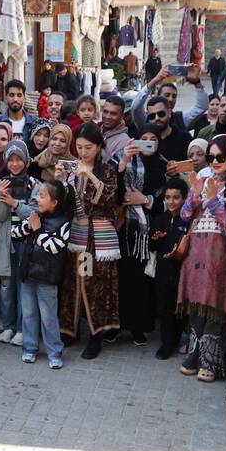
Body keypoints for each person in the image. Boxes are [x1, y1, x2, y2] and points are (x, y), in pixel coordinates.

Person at [178, 135, 226, 381]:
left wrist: (213, 201)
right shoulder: (202, 179)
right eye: (211, 157)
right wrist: (196, 195)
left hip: (220, 255)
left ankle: (210, 359)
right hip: (196, 251)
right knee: (196, 302)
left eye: (220, 157)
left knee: (215, 305)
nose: (215, 161)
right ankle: (195, 354)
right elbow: (185, 215)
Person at [60, 123, 121, 360]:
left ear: (98, 147)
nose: (83, 152)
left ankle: (96, 334)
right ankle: (70, 329)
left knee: (94, 284)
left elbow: (109, 199)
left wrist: (91, 176)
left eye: (88, 147)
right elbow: (63, 203)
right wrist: (62, 183)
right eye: (79, 147)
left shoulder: (107, 170)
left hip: (97, 237)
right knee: (73, 282)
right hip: (76, 233)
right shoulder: (71, 167)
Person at [114, 128, 167, 343]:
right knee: (120, 279)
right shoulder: (121, 159)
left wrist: (144, 200)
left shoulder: (164, 166)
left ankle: (138, 326)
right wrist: (124, 162)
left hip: (147, 231)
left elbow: (168, 203)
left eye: (152, 140)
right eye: (143, 139)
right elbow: (115, 194)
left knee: (141, 282)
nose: (147, 143)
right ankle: (116, 326)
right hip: (122, 227)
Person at [13, 179, 69, 369]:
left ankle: (55, 352)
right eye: (37, 194)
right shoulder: (36, 216)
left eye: (42, 196)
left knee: (49, 317)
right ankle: (29, 348)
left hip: (47, 278)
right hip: (27, 274)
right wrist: (28, 227)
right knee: (28, 314)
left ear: (55, 202)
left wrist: (36, 230)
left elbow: (53, 247)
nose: (37, 198)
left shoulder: (63, 223)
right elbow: (14, 233)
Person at [0, 140, 38, 343]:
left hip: (27, 241)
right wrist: (1, 196)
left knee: (24, 287)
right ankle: (8, 326)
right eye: (11, 160)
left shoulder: (35, 184)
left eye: (19, 160)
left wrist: (14, 203)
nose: (15, 164)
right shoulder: (1, 183)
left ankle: (21, 329)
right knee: (7, 287)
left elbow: (35, 215)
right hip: (7, 240)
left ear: (26, 161)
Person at [151, 179, 190, 359]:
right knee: (165, 309)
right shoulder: (160, 219)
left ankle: (179, 339)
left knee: (180, 310)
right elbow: (151, 246)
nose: (171, 201)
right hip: (163, 272)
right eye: (167, 197)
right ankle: (167, 344)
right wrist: (157, 239)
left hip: (183, 273)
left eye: (176, 197)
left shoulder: (188, 220)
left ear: (184, 198)